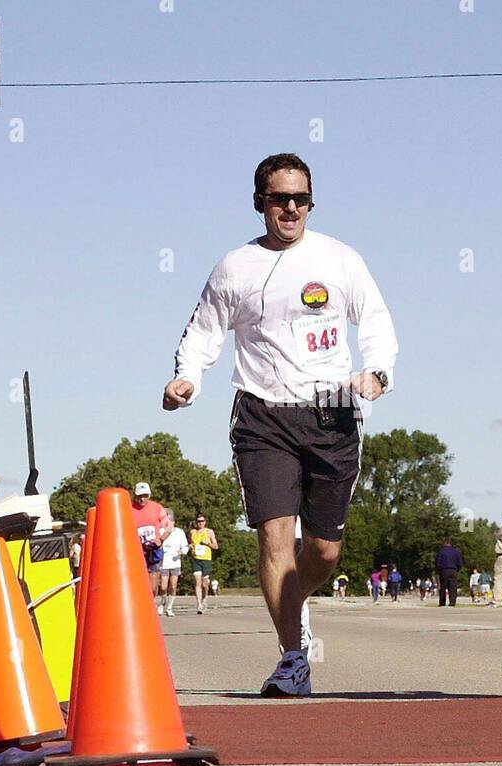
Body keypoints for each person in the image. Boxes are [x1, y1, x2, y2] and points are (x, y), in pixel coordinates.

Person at [164, 153, 398, 696]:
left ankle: (294, 600)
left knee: (324, 552)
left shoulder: (340, 259)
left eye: (301, 199)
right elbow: (203, 332)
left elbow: (378, 319)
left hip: (332, 412)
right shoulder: (234, 267)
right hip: (262, 415)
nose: (291, 208)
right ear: (259, 203)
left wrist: (378, 371)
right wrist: (186, 379)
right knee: (274, 539)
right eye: (279, 199)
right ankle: (293, 657)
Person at [131, 482, 171, 613]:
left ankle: (151, 601)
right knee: (138, 579)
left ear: (149, 495)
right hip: (136, 550)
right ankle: (141, 606)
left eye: (145, 495)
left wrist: (160, 539)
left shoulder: (157, 508)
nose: (142, 499)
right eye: (140, 496)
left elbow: (169, 527)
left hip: (154, 549)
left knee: (153, 584)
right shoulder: (129, 509)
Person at [159, 513, 189, 616]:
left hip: (175, 562)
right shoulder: (161, 531)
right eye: (167, 521)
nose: (169, 523)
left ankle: (170, 607)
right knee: (163, 586)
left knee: (173, 585)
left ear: (174, 522)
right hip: (164, 562)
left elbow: (185, 546)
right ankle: (162, 602)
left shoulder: (179, 532)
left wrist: (182, 551)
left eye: (171, 521)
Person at [189, 513, 219, 614]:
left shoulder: (209, 532)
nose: (200, 523)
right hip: (196, 559)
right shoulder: (193, 532)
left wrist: (208, 543)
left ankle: (204, 598)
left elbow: (216, 546)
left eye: (202, 521)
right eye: (198, 521)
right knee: (197, 582)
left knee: (204, 583)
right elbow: (191, 543)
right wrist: (190, 547)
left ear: (205, 522)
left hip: (206, 559)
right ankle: (199, 605)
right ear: (196, 522)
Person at [435, 537, 463, 607]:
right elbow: (459, 563)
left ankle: (442, 602)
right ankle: (452, 603)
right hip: (453, 570)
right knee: (453, 587)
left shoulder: (441, 551)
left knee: (443, 587)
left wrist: (439, 570)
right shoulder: (456, 552)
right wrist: (457, 570)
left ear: (445, 543)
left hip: (444, 570)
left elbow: (438, 562)